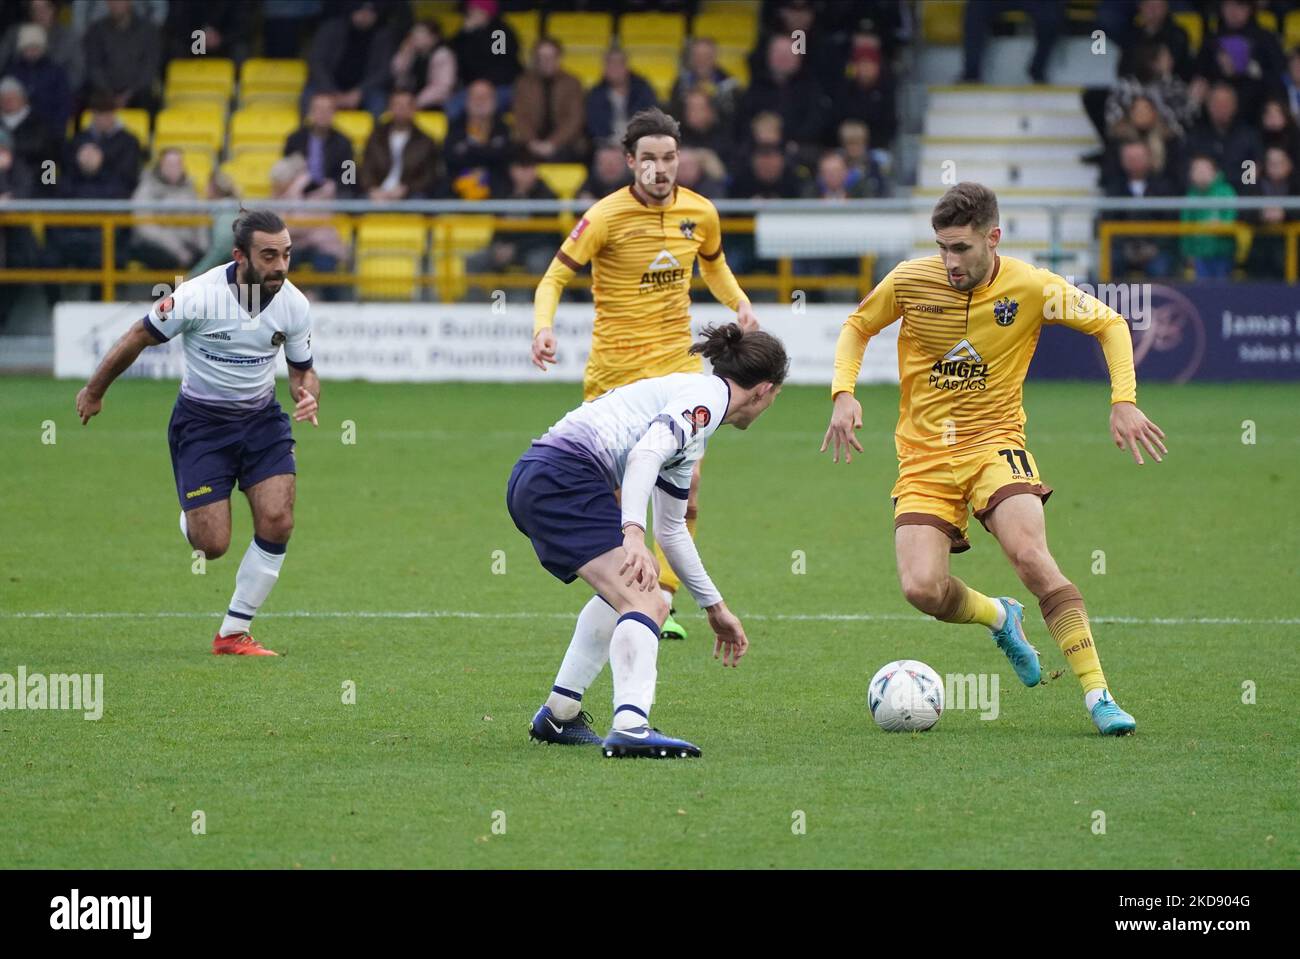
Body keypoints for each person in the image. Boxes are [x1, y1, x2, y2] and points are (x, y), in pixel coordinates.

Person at [822, 182, 1166, 736]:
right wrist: (844, 392)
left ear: (993, 238)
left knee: (1030, 555)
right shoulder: (911, 281)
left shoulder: (1030, 287)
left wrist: (1123, 401)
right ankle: (1000, 616)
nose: (950, 261)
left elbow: (1110, 323)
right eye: (942, 247)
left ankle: (1098, 694)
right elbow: (857, 326)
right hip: (924, 456)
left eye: (961, 248)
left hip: (994, 444)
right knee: (922, 589)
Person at [531, 107, 760, 643]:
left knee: (690, 488)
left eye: (670, 157)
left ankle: (667, 595)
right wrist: (543, 326)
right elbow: (554, 277)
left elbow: (714, 264)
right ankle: (625, 596)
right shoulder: (604, 218)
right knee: (616, 503)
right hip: (615, 375)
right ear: (629, 161)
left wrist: (739, 301)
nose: (661, 169)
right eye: (649, 159)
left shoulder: (701, 213)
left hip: (679, 369)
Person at [509, 324, 788, 758]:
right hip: (563, 477)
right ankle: (631, 726)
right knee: (649, 601)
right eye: (776, 398)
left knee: (630, 587)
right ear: (765, 390)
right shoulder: (706, 400)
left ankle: (559, 714)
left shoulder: (695, 424)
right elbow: (643, 456)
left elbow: (673, 530)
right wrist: (633, 532)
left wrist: (715, 607)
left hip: (542, 475)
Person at [74, 209, 320, 656]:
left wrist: (307, 394)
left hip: (263, 421)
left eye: (286, 254)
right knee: (212, 545)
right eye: (269, 255)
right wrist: (94, 390)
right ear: (239, 255)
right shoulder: (196, 296)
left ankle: (231, 633)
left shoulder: (294, 305)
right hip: (202, 425)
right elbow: (137, 336)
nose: (280, 265)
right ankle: (193, 515)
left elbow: (303, 371)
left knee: (278, 519)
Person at [129, 146, 207, 269]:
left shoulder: (190, 188)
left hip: (187, 245)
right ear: (161, 165)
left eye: (178, 164)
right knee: (166, 261)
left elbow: (200, 220)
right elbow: (146, 227)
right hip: (155, 245)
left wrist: (203, 247)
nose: (174, 168)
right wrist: (177, 250)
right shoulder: (146, 188)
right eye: (170, 164)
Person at [360, 87, 439, 200]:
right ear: (389, 108)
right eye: (397, 105)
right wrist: (372, 189)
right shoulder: (375, 137)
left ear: (414, 109)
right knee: (353, 204)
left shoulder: (425, 141)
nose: (401, 109)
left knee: (420, 201)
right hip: (376, 192)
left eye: (406, 105)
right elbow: (365, 168)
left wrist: (406, 189)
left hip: (411, 195)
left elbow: (430, 176)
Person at [284, 93, 357, 198]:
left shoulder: (344, 142)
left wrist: (334, 186)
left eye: (327, 110)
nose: (323, 114)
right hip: (298, 189)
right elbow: (286, 166)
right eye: (318, 109)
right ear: (310, 112)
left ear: (334, 114)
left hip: (328, 194)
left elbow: (350, 177)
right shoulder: (295, 139)